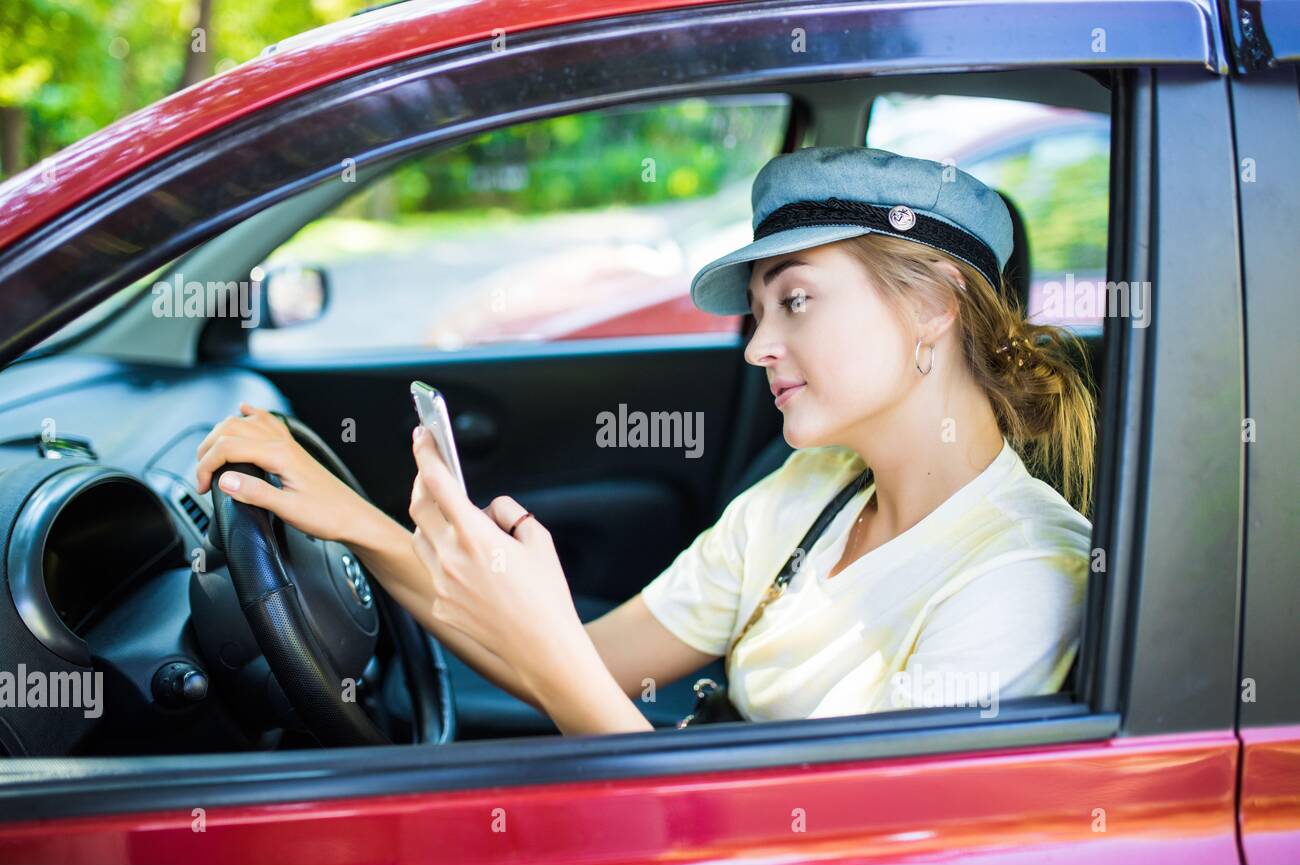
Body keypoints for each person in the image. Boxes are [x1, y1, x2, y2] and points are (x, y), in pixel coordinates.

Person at [194, 145, 1095, 736]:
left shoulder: (1021, 577)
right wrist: (354, 522)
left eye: (797, 300)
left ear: (934, 302)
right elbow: (594, 666)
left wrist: (546, 643)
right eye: (757, 311)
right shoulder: (809, 491)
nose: (757, 346)